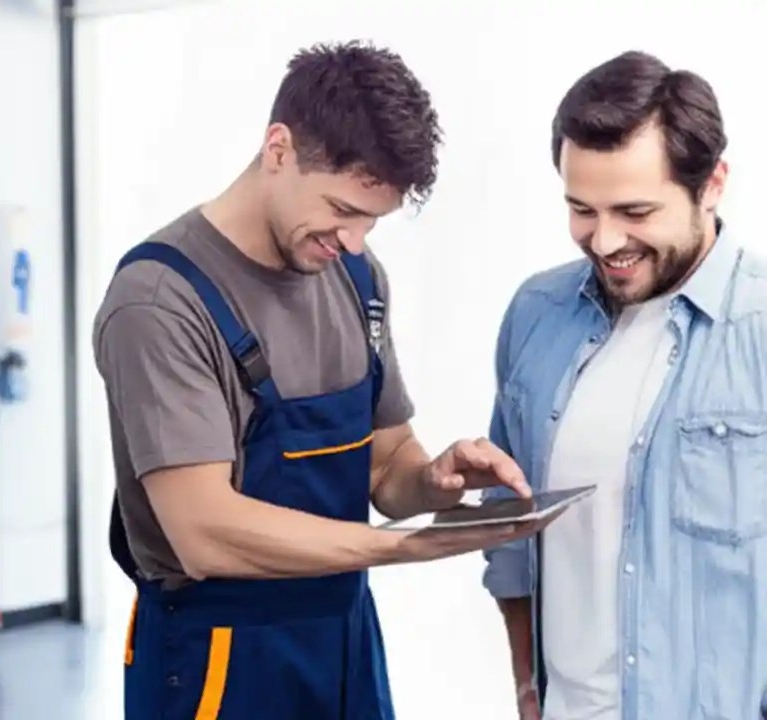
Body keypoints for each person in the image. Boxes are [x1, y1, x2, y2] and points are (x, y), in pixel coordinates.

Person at [94, 41, 552, 720]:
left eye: (372, 219)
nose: (356, 239)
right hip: (217, 656)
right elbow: (203, 531)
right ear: (278, 149)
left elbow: (387, 467)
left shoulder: (356, 278)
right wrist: (405, 548)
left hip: (344, 638)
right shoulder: (162, 301)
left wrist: (434, 481)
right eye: (343, 209)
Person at [482, 50, 767, 720]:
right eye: (582, 209)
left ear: (712, 184)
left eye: (634, 210)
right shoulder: (536, 316)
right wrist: (527, 690)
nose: (605, 240)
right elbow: (509, 543)